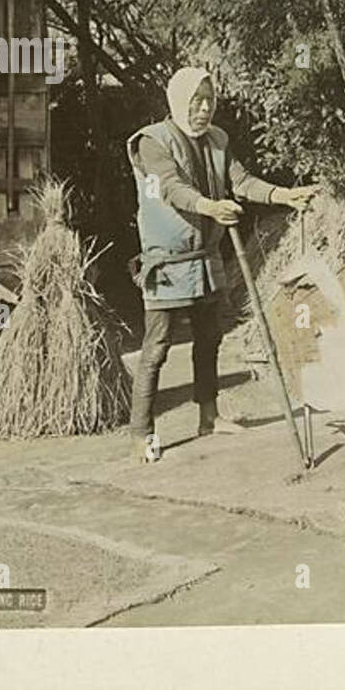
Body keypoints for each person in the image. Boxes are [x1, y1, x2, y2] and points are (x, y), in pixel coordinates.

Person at [125, 67, 316, 463]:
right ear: (178, 101)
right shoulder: (152, 142)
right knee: (157, 349)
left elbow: (241, 182)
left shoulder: (217, 140)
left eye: (209, 100)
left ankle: (208, 417)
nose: (204, 108)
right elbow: (172, 188)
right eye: (196, 101)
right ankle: (141, 433)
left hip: (206, 259)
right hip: (167, 263)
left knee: (209, 339)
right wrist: (211, 207)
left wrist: (283, 195)